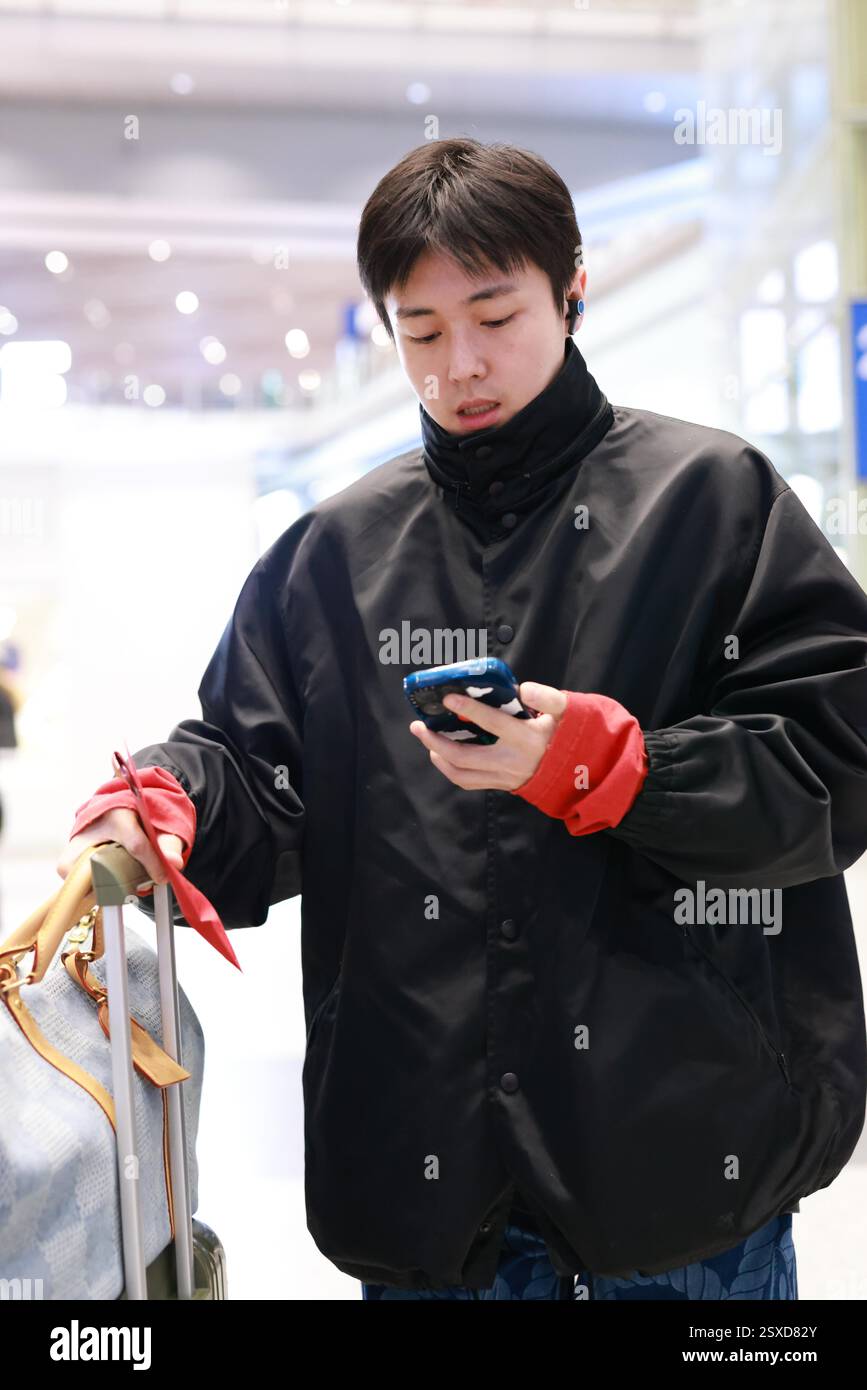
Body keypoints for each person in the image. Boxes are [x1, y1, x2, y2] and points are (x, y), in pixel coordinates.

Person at [58, 137, 867, 1300]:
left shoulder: (713, 502)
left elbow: (831, 764)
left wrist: (610, 770)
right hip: (430, 1202)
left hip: (686, 1185)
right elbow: (255, 765)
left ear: (572, 290)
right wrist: (167, 800)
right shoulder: (331, 556)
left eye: (495, 316)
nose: (460, 368)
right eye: (422, 334)